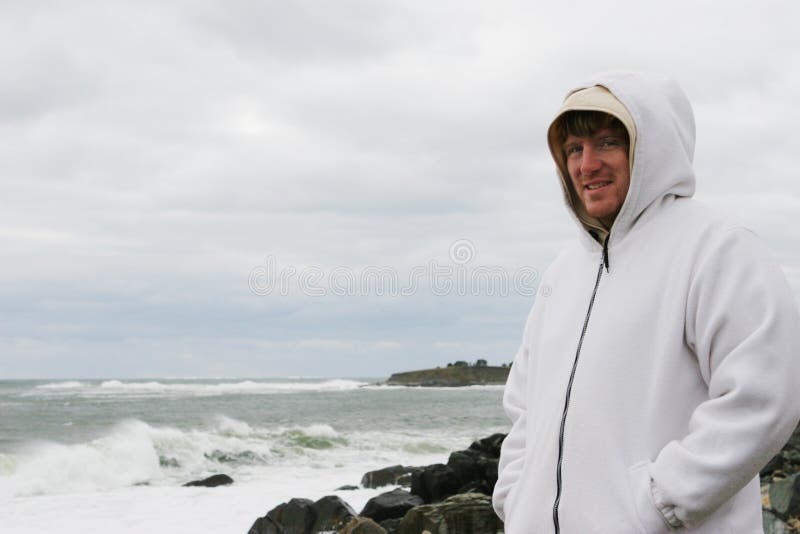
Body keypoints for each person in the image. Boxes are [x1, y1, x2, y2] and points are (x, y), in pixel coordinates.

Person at [492, 71, 800, 533]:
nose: (586, 164)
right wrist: (517, 502)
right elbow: (524, 410)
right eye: (574, 149)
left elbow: (764, 393)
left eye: (607, 143)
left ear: (650, 147)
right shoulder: (563, 272)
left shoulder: (716, 247)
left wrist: (660, 500)